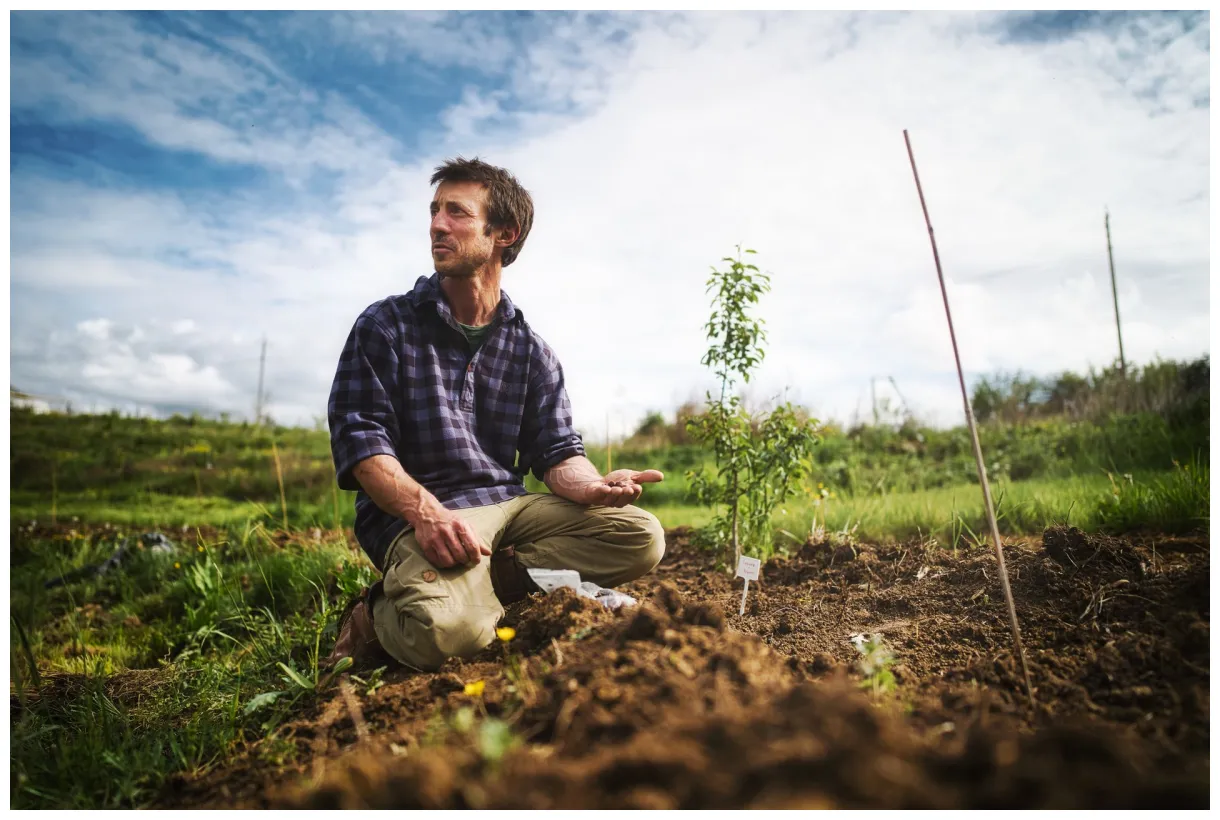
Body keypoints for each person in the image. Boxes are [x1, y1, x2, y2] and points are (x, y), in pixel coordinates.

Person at [325, 157, 666, 672]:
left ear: (504, 234)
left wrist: (594, 489)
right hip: (419, 514)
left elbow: (557, 453)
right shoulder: (385, 325)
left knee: (639, 535)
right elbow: (361, 444)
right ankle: (373, 619)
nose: (437, 225)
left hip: (506, 507)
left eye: (457, 213)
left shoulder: (531, 350)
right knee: (450, 635)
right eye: (435, 211)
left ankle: (488, 583)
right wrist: (425, 511)